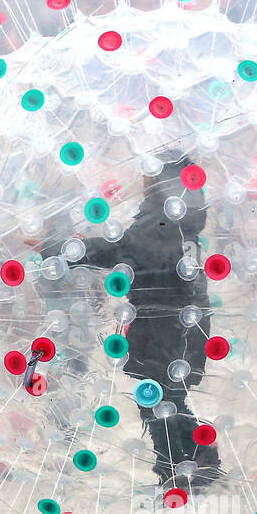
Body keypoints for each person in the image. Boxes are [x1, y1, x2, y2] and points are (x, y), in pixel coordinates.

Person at [77, 156, 220, 490]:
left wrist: (64, 247)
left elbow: (127, 249)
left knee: (154, 398)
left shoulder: (160, 218)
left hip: (162, 327)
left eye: (148, 172)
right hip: (188, 323)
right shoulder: (186, 216)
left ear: (159, 179)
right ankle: (196, 458)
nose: (141, 178)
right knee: (168, 397)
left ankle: (174, 470)